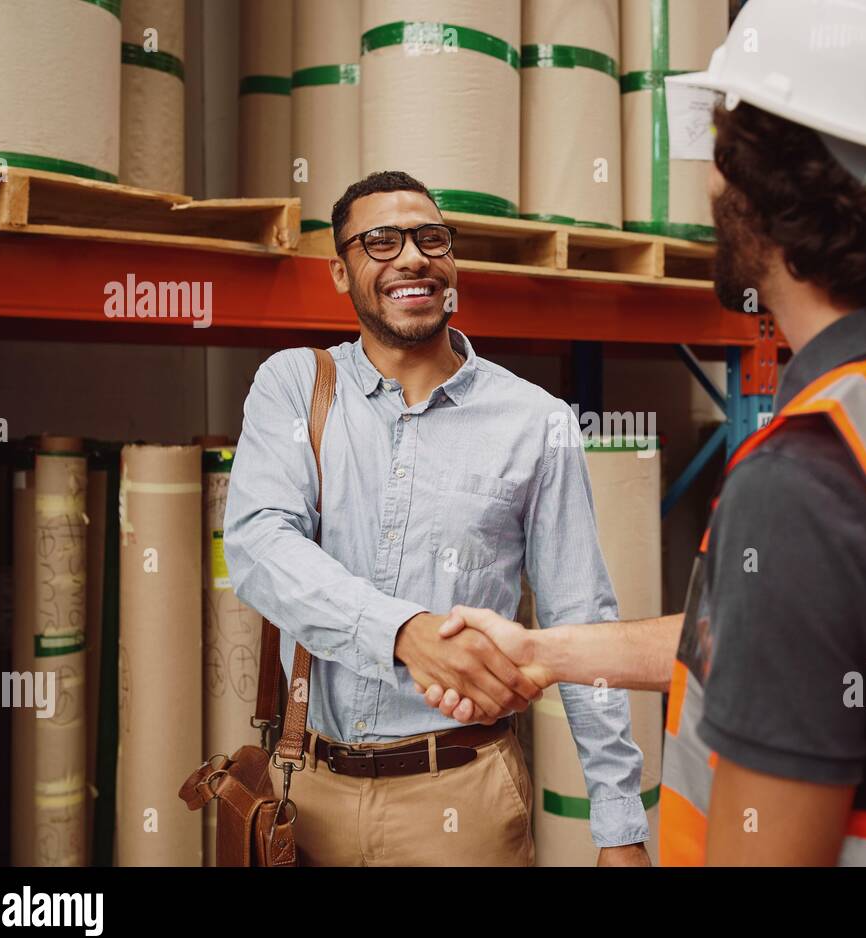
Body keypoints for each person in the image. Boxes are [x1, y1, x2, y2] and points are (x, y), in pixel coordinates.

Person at [420, 0, 866, 867]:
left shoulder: (810, 477)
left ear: (770, 181)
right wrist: (543, 653)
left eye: (722, 152)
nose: (711, 184)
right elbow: (795, 635)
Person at [224, 170, 651, 866]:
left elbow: (582, 622)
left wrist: (619, 826)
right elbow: (260, 546)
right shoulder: (294, 386)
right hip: (307, 789)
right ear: (341, 271)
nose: (412, 257)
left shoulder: (534, 421)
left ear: (451, 262)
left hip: (463, 801)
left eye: (431, 239)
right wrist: (403, 633)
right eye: (380, 241)